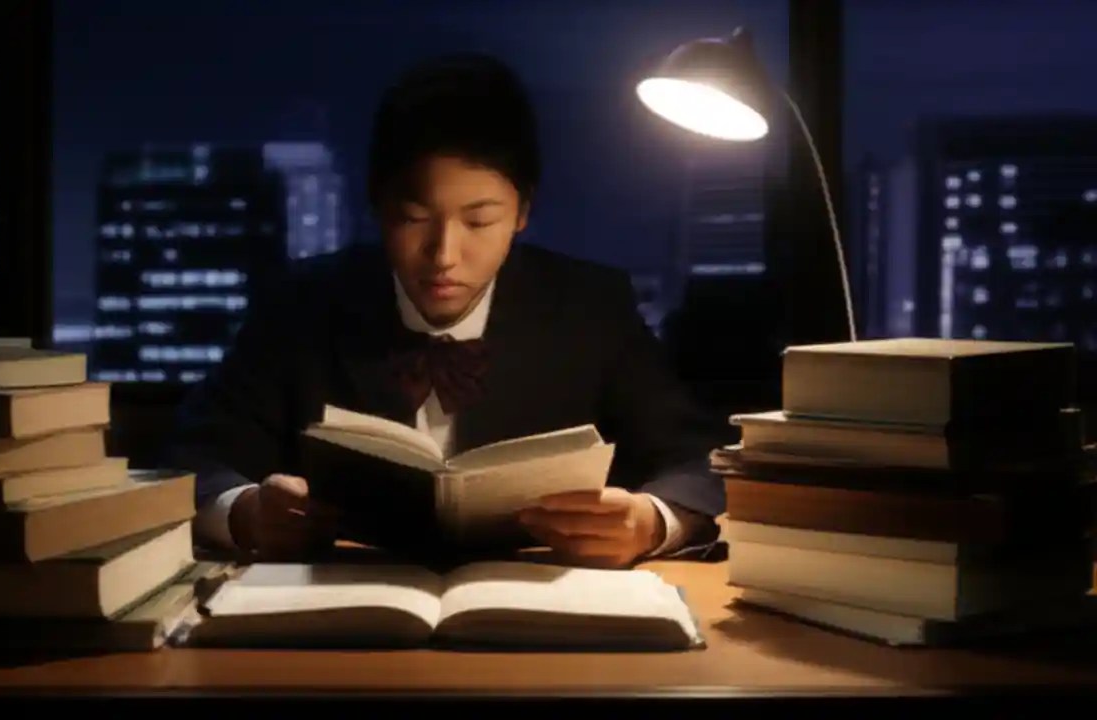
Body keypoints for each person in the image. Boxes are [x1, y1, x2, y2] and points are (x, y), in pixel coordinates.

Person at [164, 53, 725, 569]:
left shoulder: (590, 307)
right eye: (413, 218)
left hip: (537, 618)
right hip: (338, 620)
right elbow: (192, 458)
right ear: (377, 207)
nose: (444, 255)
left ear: (522, 212)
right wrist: (244, 512)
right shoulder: (300, 306)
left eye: (479, 221)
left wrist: (651, 523)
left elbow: (695, 461)